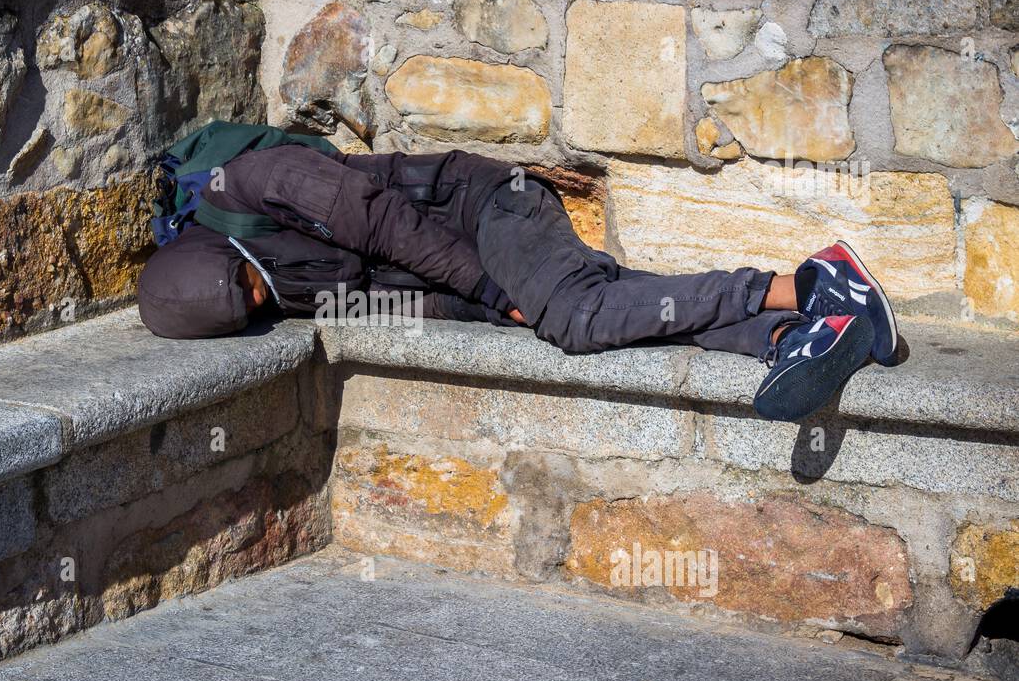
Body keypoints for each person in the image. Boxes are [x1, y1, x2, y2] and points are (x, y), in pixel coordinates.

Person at [137, 142, 897, 422]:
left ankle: (809, 281)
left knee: (571, 314)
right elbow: (383, 296)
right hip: (477, 264)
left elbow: (390, 228)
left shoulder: (260, 180)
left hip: (490, 205)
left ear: (227, 255)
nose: (271, 299)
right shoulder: (276, 282)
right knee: (606, 311)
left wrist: (496, 291)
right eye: (255, 311)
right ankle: (799, 333)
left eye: (254, 286)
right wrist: (484, 309)